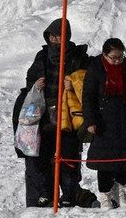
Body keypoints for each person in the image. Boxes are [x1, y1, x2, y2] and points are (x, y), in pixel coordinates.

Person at [22, 18, 96, 208]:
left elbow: (89, 81)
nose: (55, 40)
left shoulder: (78, 57)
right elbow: (30, 80)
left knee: (69, 158)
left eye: (58, 36)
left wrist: (74, 83)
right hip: (45, 117)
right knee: (43, 157)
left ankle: (70, 193)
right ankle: (47, 193)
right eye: (52, 36)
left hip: (68, 117)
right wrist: (36, 85)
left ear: (67, 37)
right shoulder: (42, 56)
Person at [83, 38, 126, 209]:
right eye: (114, 57)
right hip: (104, 122)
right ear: (105, 55)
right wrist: (90, 120)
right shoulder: (96, 69)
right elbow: (88, 96)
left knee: (124, 161)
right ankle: (106, 197)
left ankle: (120, 194)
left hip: (125, 120)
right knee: (104, 162)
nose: (117, 60)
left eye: (120, 57)